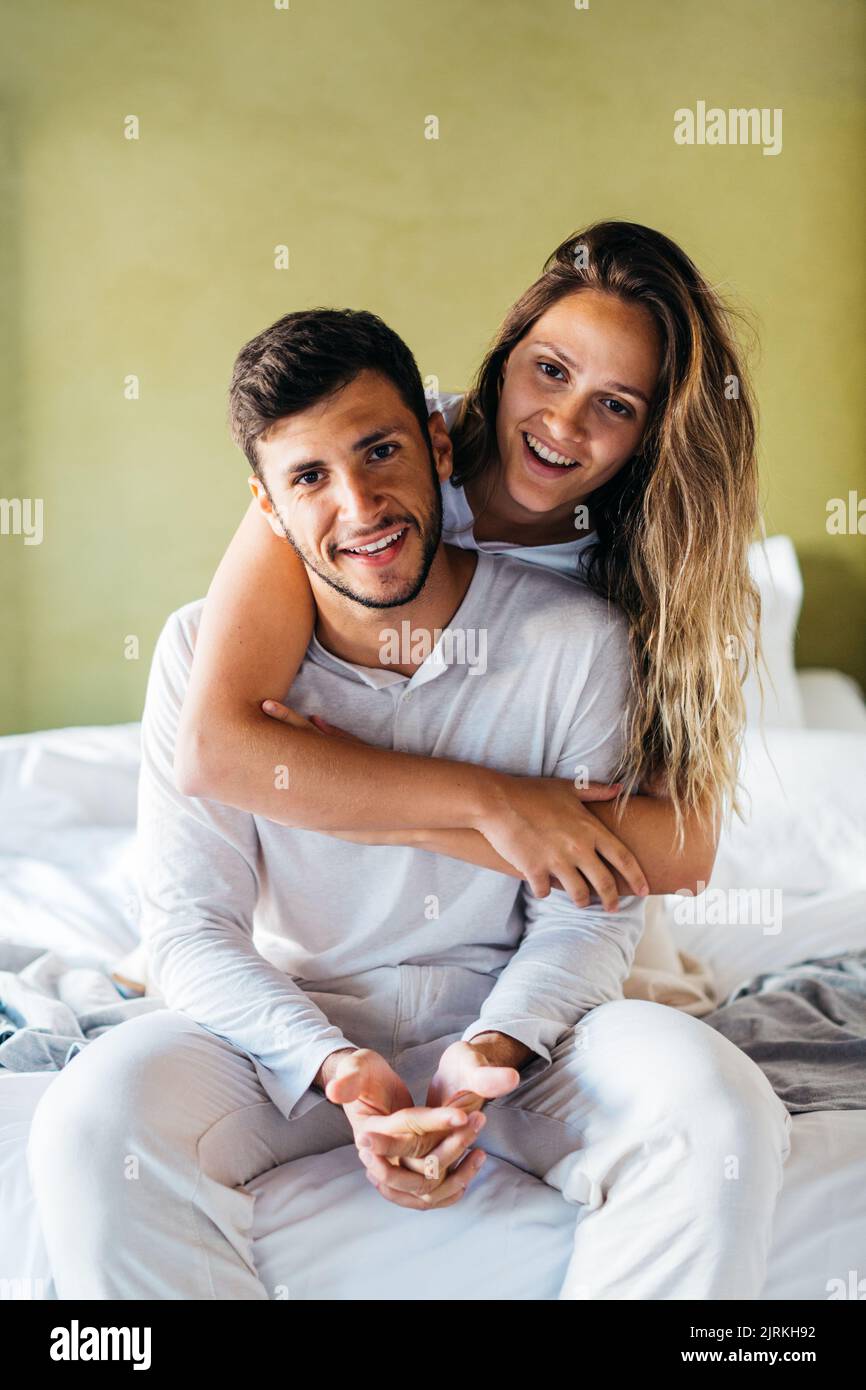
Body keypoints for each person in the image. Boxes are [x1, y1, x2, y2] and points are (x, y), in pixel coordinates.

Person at [27, 308, 791, 1300]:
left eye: (380, 450)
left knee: (717, 1105)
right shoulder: (200, 655)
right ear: (264, 505)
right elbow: (187, 925)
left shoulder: (580, 639)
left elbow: (584, 909)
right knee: (93, 1118)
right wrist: (338, 1066)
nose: (358, 503)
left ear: (436, 440)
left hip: (522, 1038)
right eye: (308, 477)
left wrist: (490, 1048)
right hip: (286, 1033)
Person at [169, 224, 763, 1021]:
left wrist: (383, 818)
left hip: (574, 893)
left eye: (614, 406)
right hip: (345, 911)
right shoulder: (380, 462)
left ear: (655, 431)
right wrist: (489, 802)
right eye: (549, 371)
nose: (562, 422)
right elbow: (218, 750)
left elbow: (681, 856)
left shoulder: (659, 575)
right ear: (506, 356)